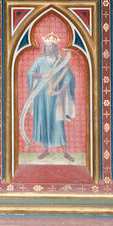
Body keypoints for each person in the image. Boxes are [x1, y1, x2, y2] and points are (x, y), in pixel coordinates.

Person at [25, 35, 75, 163]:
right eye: (46, 46)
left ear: (55, 48)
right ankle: (46, 149)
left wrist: (60, 90)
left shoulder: (61, 61)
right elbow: (30, 73)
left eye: (50, 46)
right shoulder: (39, 61)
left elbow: (68, 77)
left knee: (58, 122)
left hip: (55, 98)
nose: (48, 48)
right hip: (41, 97)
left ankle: (65, 150)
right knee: (43, 121)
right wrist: (42, 75)